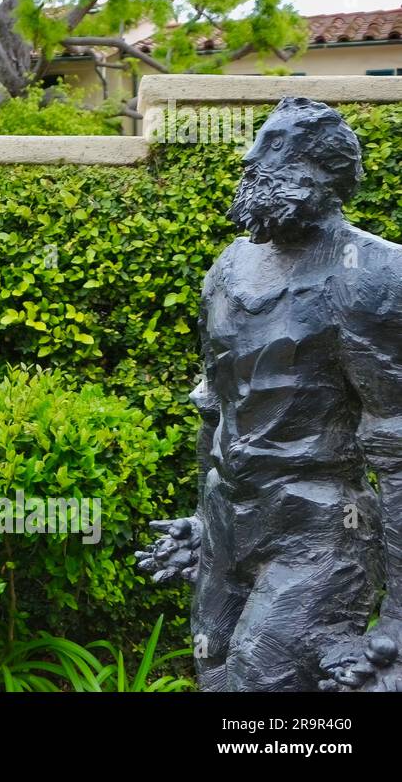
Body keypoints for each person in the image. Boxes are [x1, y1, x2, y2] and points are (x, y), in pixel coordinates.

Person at [138, 97, 402, 691]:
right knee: (213, 678)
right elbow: (216, 408)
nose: (252, 157)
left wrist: (400, 624)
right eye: (258, 142)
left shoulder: (374, 274)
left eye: (276, 147)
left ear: (325, 172)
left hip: (319, 532)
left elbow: (398, 448)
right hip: (228, 523)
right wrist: (204, 522)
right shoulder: (229, 268)